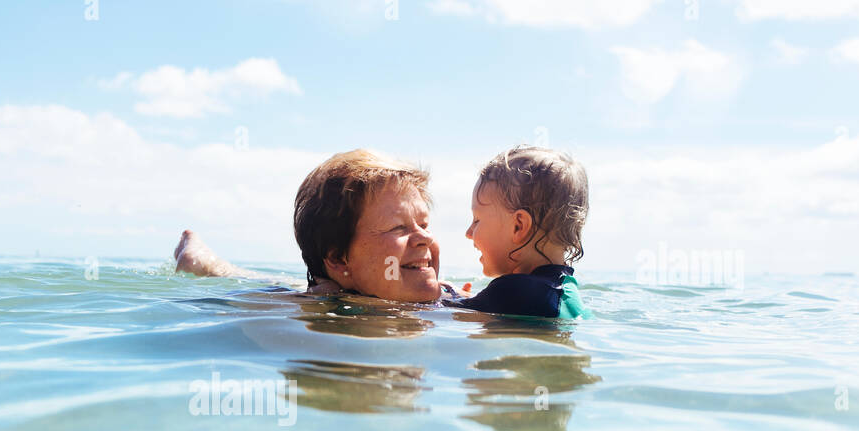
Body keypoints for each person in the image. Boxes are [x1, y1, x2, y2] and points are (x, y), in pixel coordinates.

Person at [174, 148, 452, 304]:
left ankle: (211, 265)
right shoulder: (323, 311)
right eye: (398, 227)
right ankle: (204, 266)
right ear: (338, 258)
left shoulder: (453, 296)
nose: (425, 238)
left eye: (424, 224)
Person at [447, 146, 591, 319]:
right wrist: (470, 299)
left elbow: (442, 314)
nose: (468, 233)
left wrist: (437, 294)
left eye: (477, 220)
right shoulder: (563, 290)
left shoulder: (514, 290)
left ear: (519, 226)